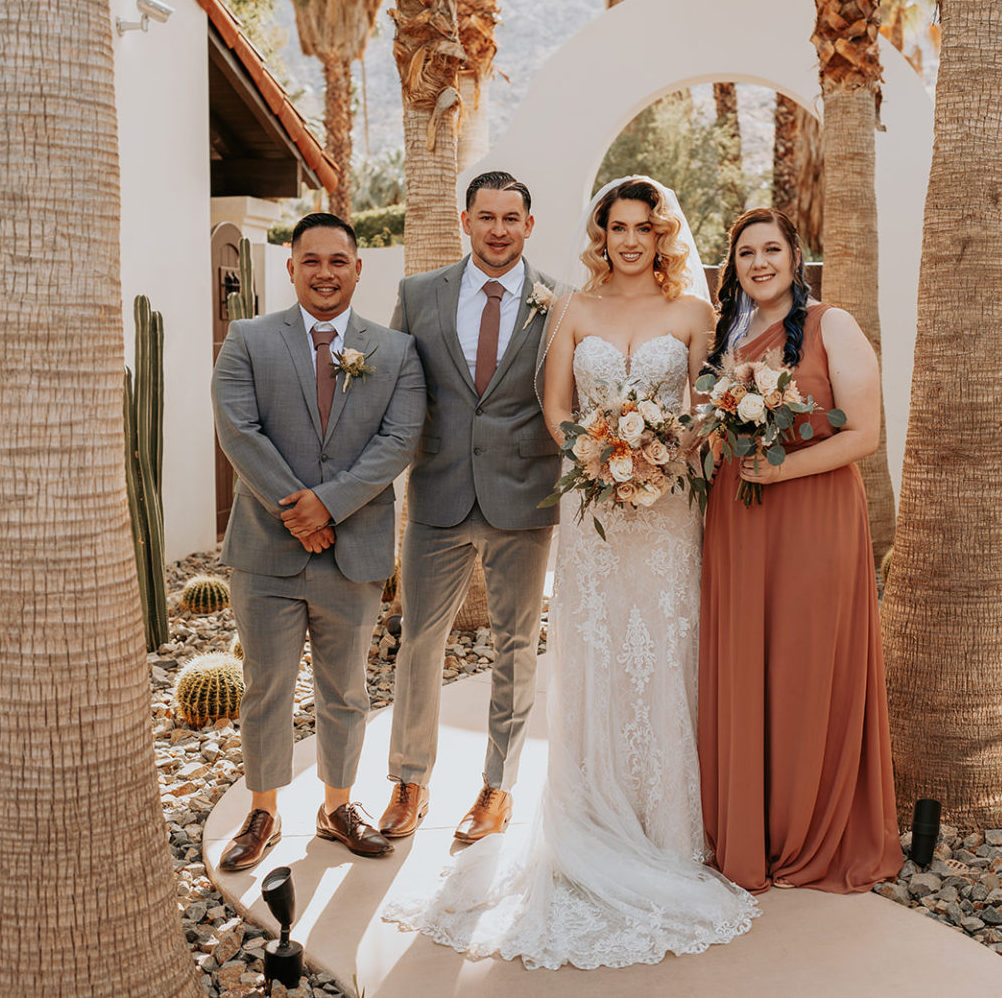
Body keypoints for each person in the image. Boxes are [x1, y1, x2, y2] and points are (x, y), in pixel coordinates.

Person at [384, 177, 758, 970]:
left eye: (642, 228)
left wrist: (666, 451)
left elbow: (710, 405)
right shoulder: (571, 310)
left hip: (665, 515)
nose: (629, 241)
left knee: (661, 656)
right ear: (601, 235)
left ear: (663, 237)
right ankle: (587, 822)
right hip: (593, 511)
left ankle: (666, 828)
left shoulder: (696, 316)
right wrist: (600, 453)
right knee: (592, 660)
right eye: (616, 228)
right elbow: (555, 408)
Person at [698, 207, 903, 893]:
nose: (759, 263)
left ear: (795, 256)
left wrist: (784, 469)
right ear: (734, 266)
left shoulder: (830, 325)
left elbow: (865, 434)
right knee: (749, 663)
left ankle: (811, 831)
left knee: (805, 665)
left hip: (813, 517)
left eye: (772, 250)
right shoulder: (728, 336)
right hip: (740, 520)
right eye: (746, 252)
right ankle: (752, 829)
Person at [212, 212, 425, 870]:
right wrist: (300, 513)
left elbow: (400, 440)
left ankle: (337, 807)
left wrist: (327, 506)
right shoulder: (246, 340)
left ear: (358, 268)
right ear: (292, 267)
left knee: (346, 690)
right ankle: (263, 813)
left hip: (353, 549)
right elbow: (239, 431)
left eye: (338, 260)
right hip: (265, 552)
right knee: (265, 686)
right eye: (312, 260)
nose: (325, 272)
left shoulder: (395, 352)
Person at [379, 171, 562, 844]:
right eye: (486, 217)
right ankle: (409, 781)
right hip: (438, 496)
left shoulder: (560, 303)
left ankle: (498, 787)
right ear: (466, 220)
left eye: (511, 218)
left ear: (529, 225)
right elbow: (400, 393)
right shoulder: (418, 294)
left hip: (524, 496)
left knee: (517, 645)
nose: (498, 229)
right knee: (419, 642)